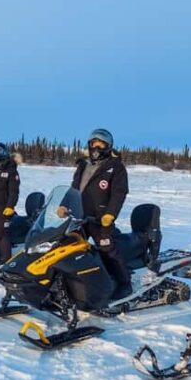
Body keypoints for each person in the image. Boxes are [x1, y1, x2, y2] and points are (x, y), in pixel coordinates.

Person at [64, 128, 132, 300]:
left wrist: (110, 214)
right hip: (80, 216)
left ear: (108, 146)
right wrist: (65, 205)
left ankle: (125, 283)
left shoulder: (115, 167)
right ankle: (74, 281)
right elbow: (74, 188)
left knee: (107, 249)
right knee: (69, 247)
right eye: (94, 143)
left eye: (100, 144)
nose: (96, 147)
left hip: (101, 219)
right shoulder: (83, 164)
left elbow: (119, 193)